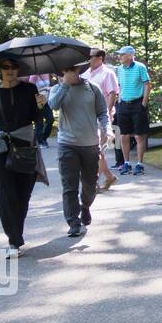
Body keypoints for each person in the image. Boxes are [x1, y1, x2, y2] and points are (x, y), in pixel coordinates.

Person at [0, 58, 45, 255]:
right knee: (6, 194)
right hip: (0, 148)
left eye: (13, 67)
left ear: (18, 69)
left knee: (23, 195)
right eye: (6, 67)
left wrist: (42, 107)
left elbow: (41, 121)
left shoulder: (30, 89)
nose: (10, 71)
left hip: (25, 147)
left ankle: (16, 235)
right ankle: (14, 241)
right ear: (0, 70)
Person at [49, 62, 108, 238]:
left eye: (73, 70)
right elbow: (53, 105)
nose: (71, 74)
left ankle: (85, 206)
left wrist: (107, 129)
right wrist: (65, 84)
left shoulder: (92, 88)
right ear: (62, 72)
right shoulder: (57, 89)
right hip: (67, 144)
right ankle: (73, 222)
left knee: (90, 185)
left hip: (90, 144)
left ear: (79, 71)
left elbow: (103, 112)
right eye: (67, 71)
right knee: (69, 186)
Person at [81, 49, 120, 190]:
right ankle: (109, 177)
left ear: (100, 58)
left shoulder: (107, 73)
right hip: (86, 116)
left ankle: (94, 183)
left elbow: (112, 94)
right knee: (94, 150)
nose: (88, 59)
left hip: (101, 117)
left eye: (90, 56)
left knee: (96, 149)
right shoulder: (85, 73)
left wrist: (108, 114)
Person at [113, 45, 151, 176]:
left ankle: (139, 164)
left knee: (139, 135)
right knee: (123, 135)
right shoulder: (119, 69)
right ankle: (126, 163)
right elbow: (119, 85)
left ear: (130, 55)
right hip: (123, 104)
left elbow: (147, 84)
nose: (120, 57)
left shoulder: (140, 67)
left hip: (137, 104)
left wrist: (144, 102)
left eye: (122, 55)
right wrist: (118, 101)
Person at [27, 72, 55, 147]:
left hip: (46, 101)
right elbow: (30, 90)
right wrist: (45, 88)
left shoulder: (46, 74)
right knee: (39, 123)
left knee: (50, 119)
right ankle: (40, 141)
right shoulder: (34, 75)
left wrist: (49, 88)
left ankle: (43, 138)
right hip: (37, 102)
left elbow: (48, 86)